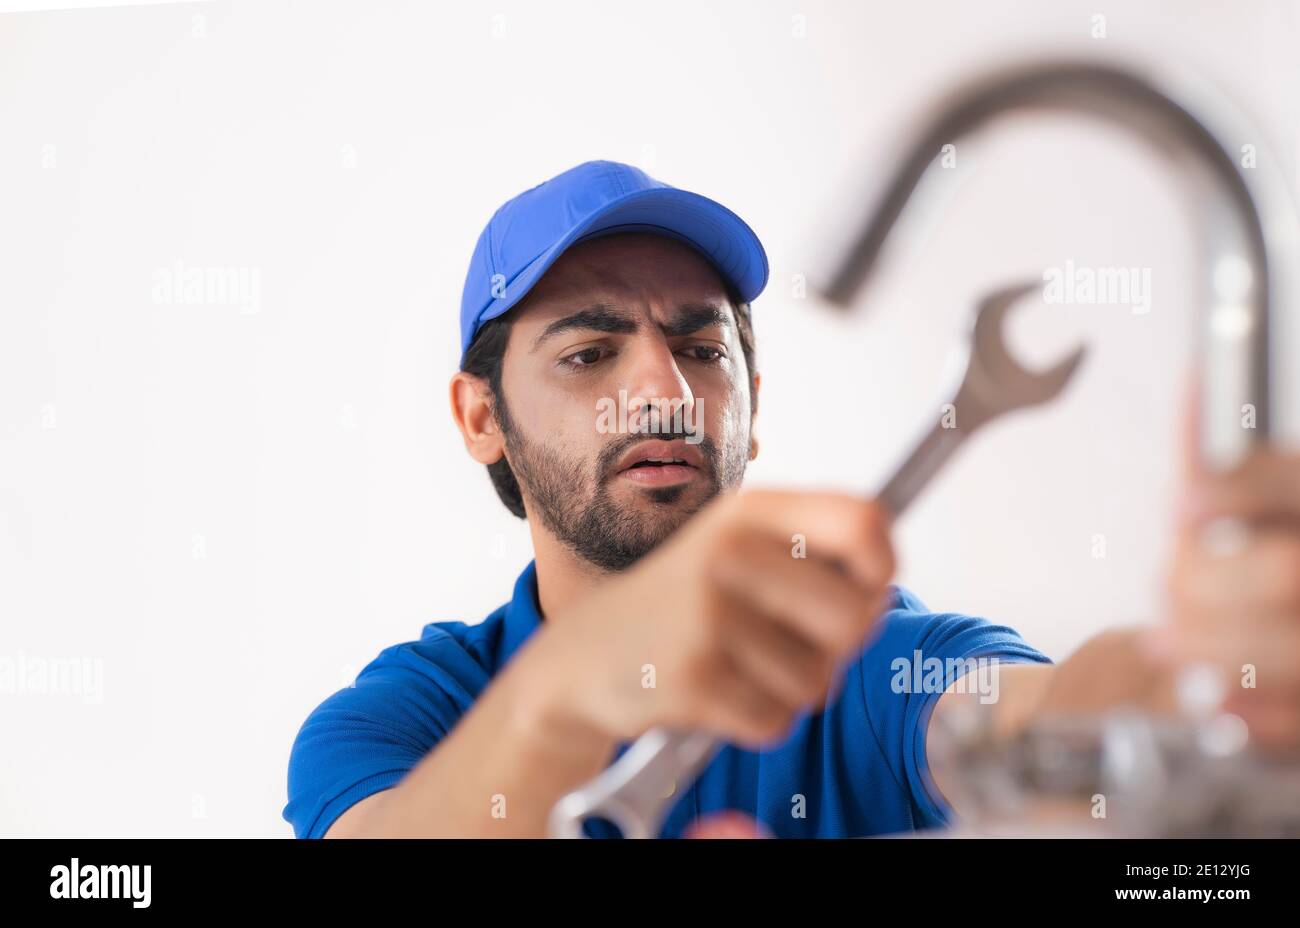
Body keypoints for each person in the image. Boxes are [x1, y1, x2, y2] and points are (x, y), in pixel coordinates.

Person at [283, 160, 1300, 839]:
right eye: (591, 353)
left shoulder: (870, 670)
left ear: (751, 406)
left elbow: (1040, 719)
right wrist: (568, 690)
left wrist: (1211, 678)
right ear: (479, 418)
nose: (666, 393)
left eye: (698, 350)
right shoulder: (401, 718)